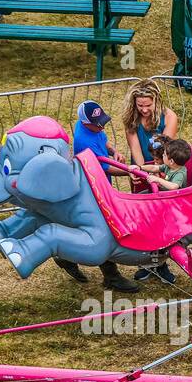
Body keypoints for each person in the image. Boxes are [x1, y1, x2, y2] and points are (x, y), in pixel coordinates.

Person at [55, 101, 137, 292]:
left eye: (102, 121)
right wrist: (130, 171)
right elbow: (105, 168)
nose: (102, 126)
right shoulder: (84, 142)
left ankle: (66, 257)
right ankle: (111, 276)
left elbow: (102, 137)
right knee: (103, 230)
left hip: (101, 186)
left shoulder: (91, 127)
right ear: (84, 123)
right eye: (97, 123)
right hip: (94, 189)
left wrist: (113, 151)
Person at [122, 80, 180, 284]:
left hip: (162, 165)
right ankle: (145, 261)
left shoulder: (169, 117)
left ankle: (162, 262)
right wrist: (138, 170)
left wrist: (155, 174)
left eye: (148, 105)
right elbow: (136, 150)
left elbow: (162, 150)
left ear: (157, 101)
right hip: (143, 167)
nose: (144, 109)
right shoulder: (131, 119)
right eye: (140, 105)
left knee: (162, 216)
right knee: (143, 215)